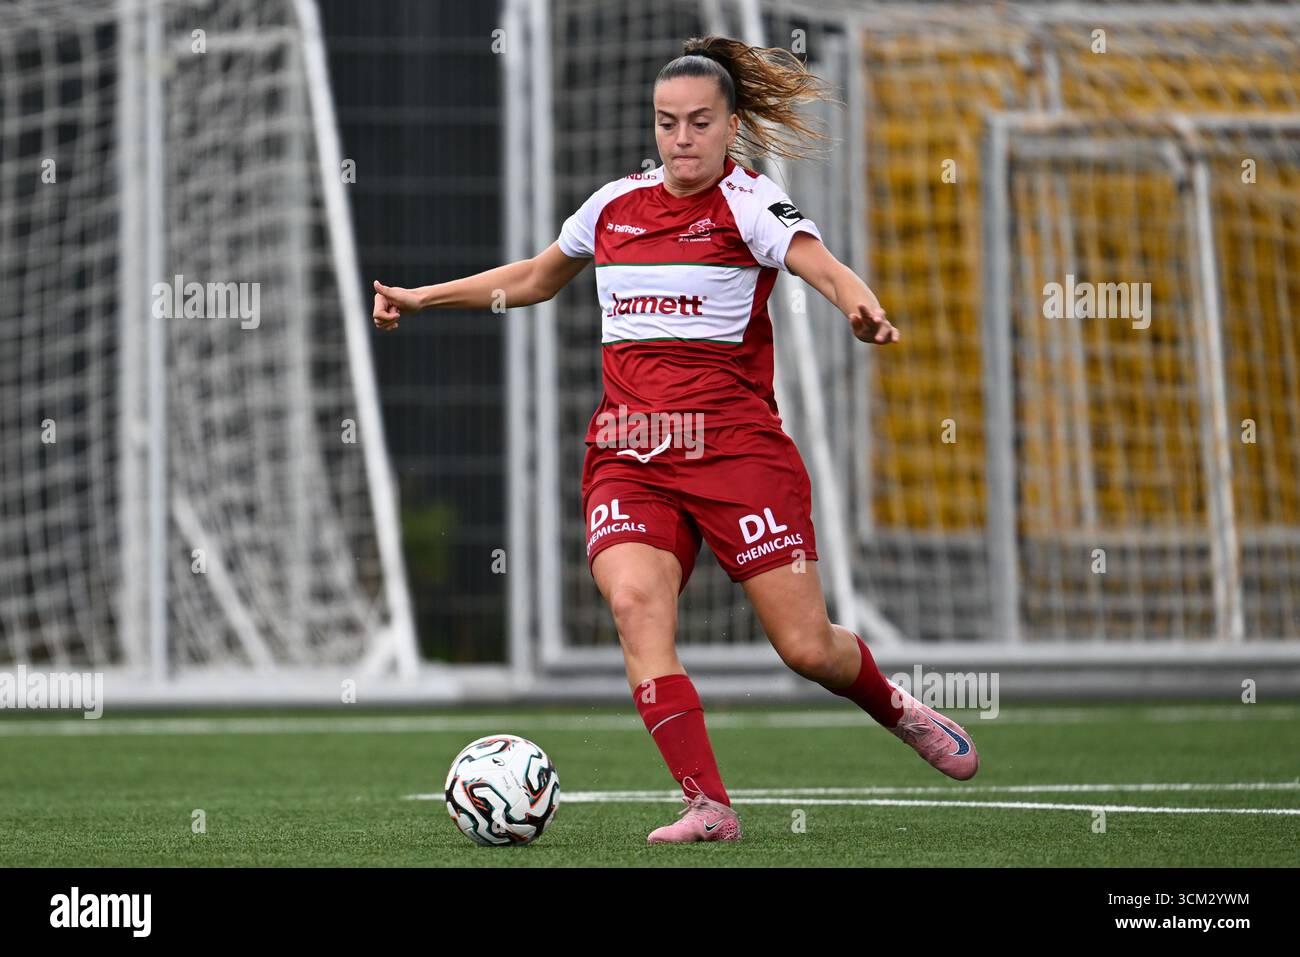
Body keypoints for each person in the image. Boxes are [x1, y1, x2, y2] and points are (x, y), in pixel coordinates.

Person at [373, 35, 978, 845]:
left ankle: (895, 706)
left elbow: (819, 263)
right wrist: (424, 296)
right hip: (629, 452)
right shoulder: (613, 206)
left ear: (731, 127)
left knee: (807, 648)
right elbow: (532, 278)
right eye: (667, 123)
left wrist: (859, 306)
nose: (681, 139)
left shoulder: (751, 203)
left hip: (736, 452)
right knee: (635, 606)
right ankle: (709, 805)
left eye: (699, 122)